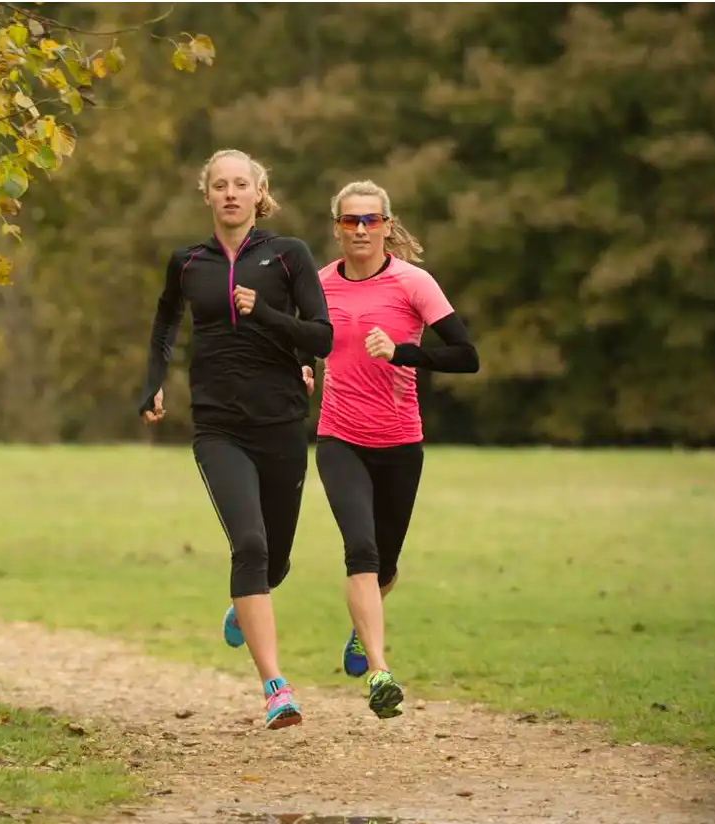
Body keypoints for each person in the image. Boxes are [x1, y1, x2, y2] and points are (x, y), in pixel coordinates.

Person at [139, 149, 334, 730]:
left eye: (240, 184)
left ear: (258, 192)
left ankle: (243, 608)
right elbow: (164, 325)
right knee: (248, 545)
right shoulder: (187, 262)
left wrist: (268, 315)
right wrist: (153, 384)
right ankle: (276, 687)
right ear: (207, 195)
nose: (230, 193)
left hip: (280, 422)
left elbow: (321, 336)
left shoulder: (289, 255)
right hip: (218, 425)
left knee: (275, 562)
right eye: (219, 185)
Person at [308, 179, 480, 720]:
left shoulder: (414, 283)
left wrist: (406, 353)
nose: (361, 230)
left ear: (386, 225)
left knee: (385, 566)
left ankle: (363, 632)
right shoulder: (317, 287)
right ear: (337, 227)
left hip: (401, 442)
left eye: (371, 220)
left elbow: (466, 355)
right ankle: (381, 670)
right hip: (339, 437)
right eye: (351, 221)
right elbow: (294, 341)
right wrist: (298, 365)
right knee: (360, 552)